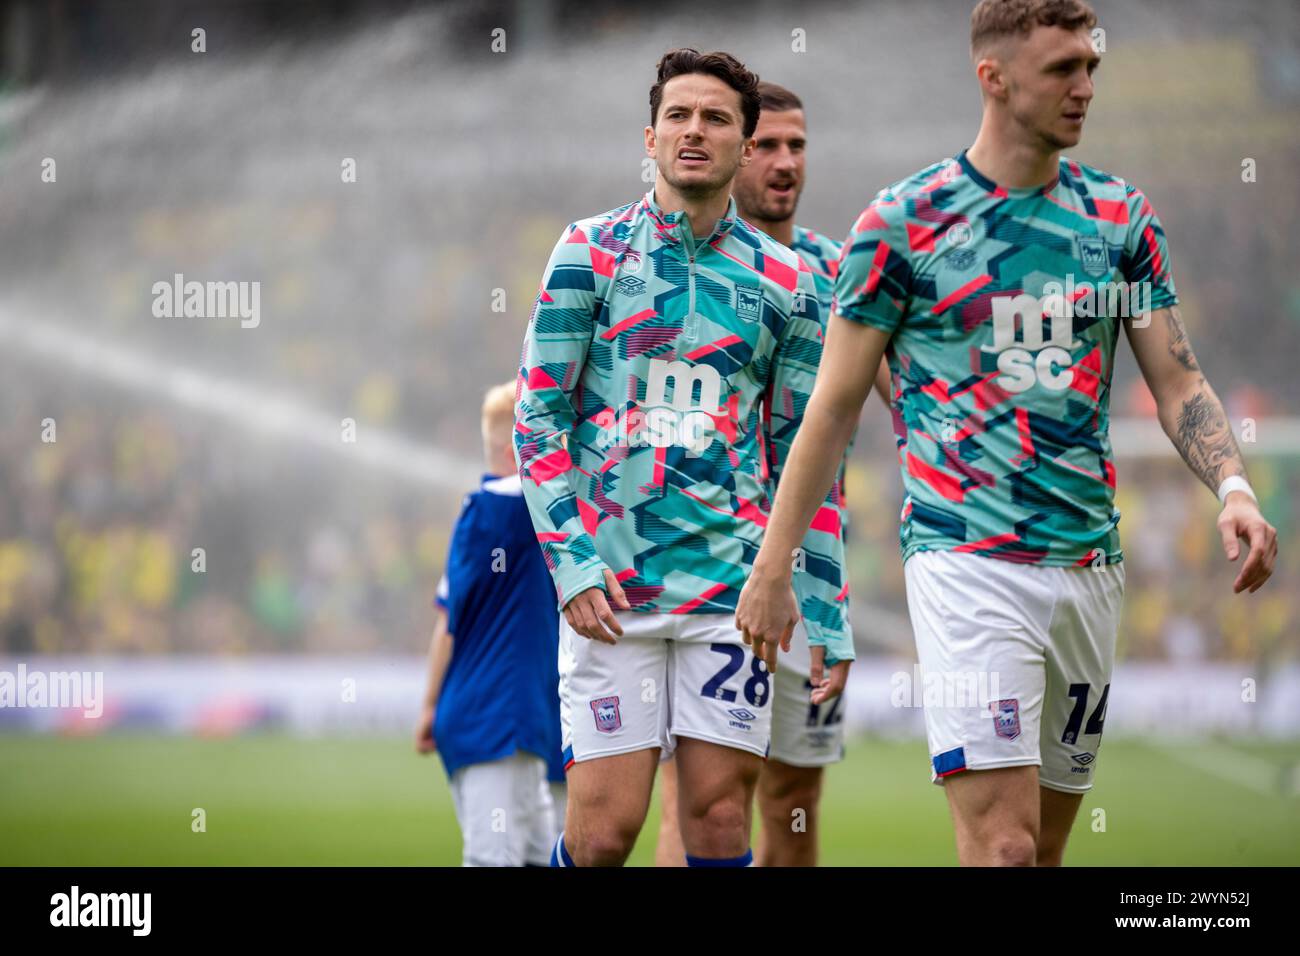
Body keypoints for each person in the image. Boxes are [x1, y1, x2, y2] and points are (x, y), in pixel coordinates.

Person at [734, 0, 1278, 867]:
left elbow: (1178, 383)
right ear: (993, 78)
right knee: (1005, 852)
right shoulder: (903, 223)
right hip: (966, 560)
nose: (1086, 86)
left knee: (1045, 851)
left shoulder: (1120, 219)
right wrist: (773, 565)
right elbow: (832, 408)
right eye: (1063, 68)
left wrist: (1235, 490)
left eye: (1091, 66)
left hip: (1089, 568)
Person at [514, 49, 851, 868]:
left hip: (731, 594)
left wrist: (822, 606)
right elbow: (538, 418)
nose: (694, 131)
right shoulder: (589, 251)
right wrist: (573, 564)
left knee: (719, 822)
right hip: (612, 594)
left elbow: (804, 452)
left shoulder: (789, 283)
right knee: (602, 834)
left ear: (742, 142)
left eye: (716, 119)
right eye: (678, 116)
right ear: (652, 135)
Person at [653, 81, 887, 867]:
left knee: (794, 795)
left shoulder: (839, 272)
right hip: (707, 566)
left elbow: (916, 402)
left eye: (798, 145)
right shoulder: (683, 265)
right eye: (766, 145)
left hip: (810, 570)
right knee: (697, 802)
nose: (785, 162)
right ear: (733, 147)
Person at [416, 381, 566, 866]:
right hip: (499, 720)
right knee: (493, 859)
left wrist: (430, 705)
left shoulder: (480, 517)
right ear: (516, 450)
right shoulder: (507, 506)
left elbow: (447, 625)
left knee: (542, 856)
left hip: (495, 721)